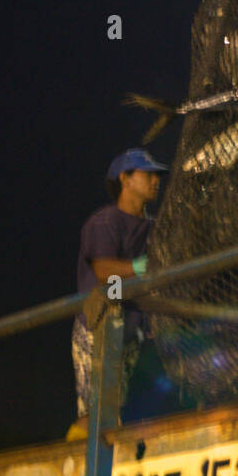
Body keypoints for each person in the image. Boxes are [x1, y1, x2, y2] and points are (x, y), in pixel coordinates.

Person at [66, 147, 167, 441]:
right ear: (125, 178)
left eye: (157, 175)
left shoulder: (155, 227)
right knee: (92, 414)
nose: (155, 180)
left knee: (112, 413)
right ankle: (72, 471)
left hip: (132, 330)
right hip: (97, 326)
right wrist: (141, 266)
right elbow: (103, 271)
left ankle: (102, 472)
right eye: (148, 174)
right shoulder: (105, 221)